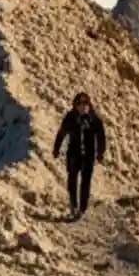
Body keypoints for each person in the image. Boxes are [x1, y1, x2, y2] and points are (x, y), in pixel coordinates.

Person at [53, 92, 106, 220]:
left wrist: (100, 152)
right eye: (80, 104)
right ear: (75, 105)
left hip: (88, 154)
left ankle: (82, 208)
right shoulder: (70, 117)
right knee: (72, 179)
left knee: (86, 181)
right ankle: (73, 205)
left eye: (85, 103)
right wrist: (56, 148)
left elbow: (101, 136)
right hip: (73, 153)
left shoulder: (94, 118)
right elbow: (61, 133)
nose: (83, 107)